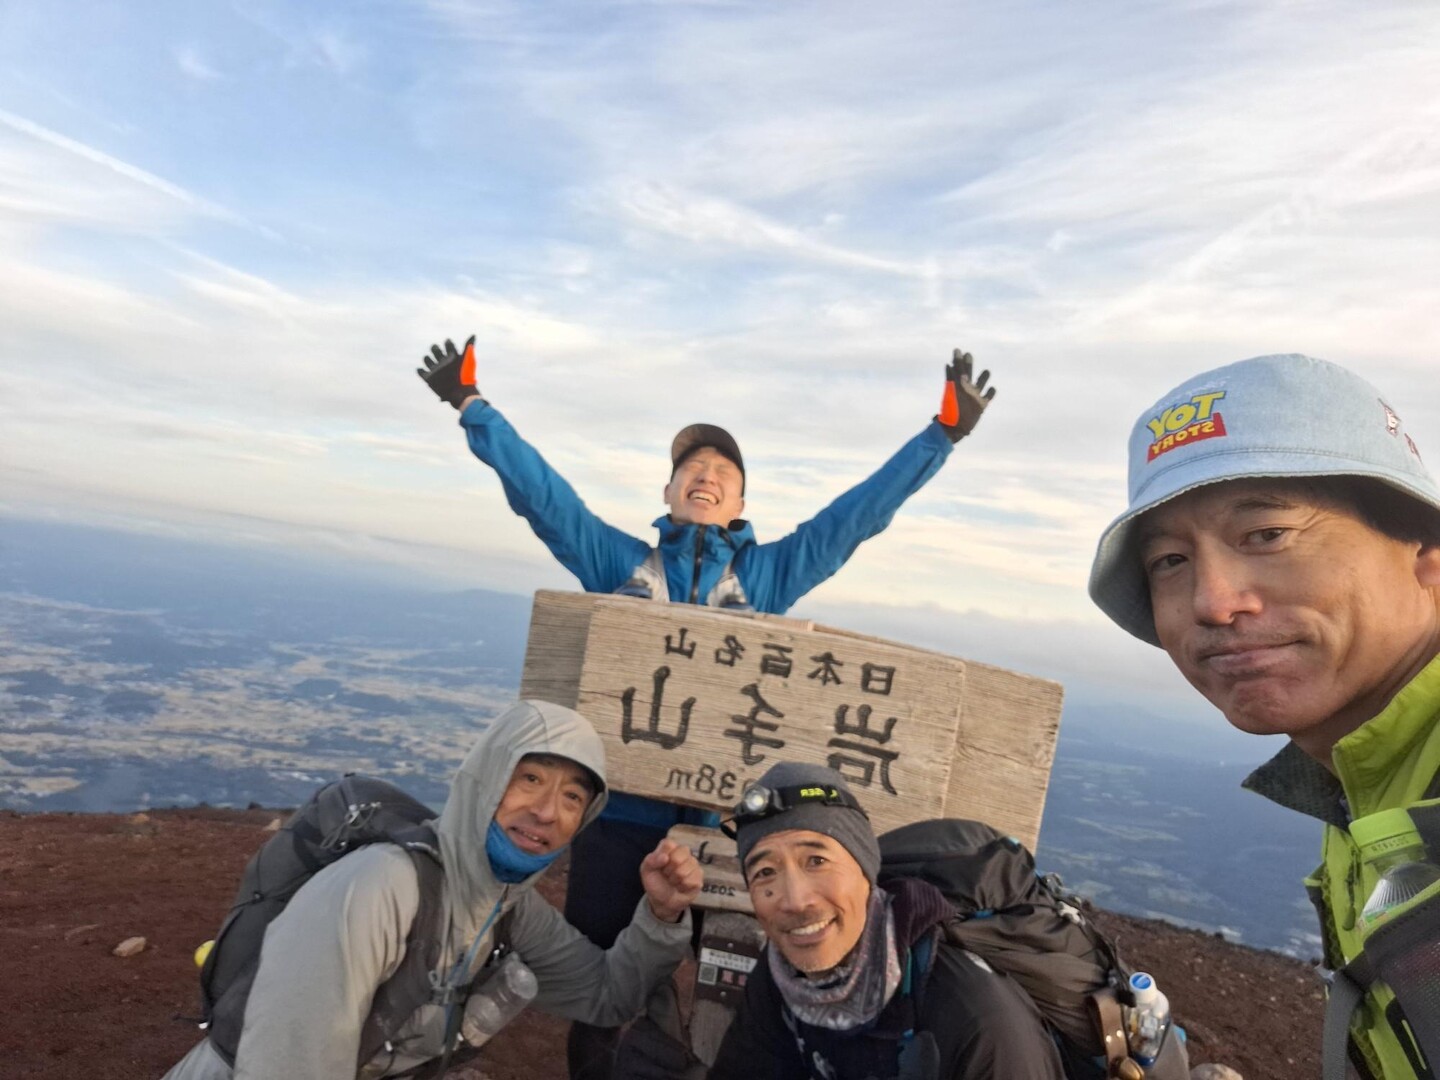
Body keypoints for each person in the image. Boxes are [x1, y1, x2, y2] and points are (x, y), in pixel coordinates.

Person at [417, 336, 997, 1078]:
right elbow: (545, 500)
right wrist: (473, 406)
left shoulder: (767, 574)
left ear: (740, 504)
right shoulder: (621, 565)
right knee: (608, 989)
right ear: (667, 494)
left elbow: (854, 519)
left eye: (722, 473)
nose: (705, 477)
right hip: (620, 821)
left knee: (729, 993)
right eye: (690, 469)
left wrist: (939, 437)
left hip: (721, 828)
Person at [1088, 354, 1440, 1080]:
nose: (1213, 602)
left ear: (1426, 561)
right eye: (1171, 562)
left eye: (1267, 535)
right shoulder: (1370, 783)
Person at [163, 699, 703, 1080]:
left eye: (572, 797)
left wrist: (659, 914)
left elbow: (606, 996)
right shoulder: (381, 887)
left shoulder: (508, 906)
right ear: (485, 780)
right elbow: (288, 1064)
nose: (546, 812)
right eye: (530, 779)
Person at [618, 761, 1067, 1079]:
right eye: (765, 872)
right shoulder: (784, 980)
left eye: (816, 860)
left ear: (866, 869)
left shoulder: (977, 1021)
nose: (794, 900)